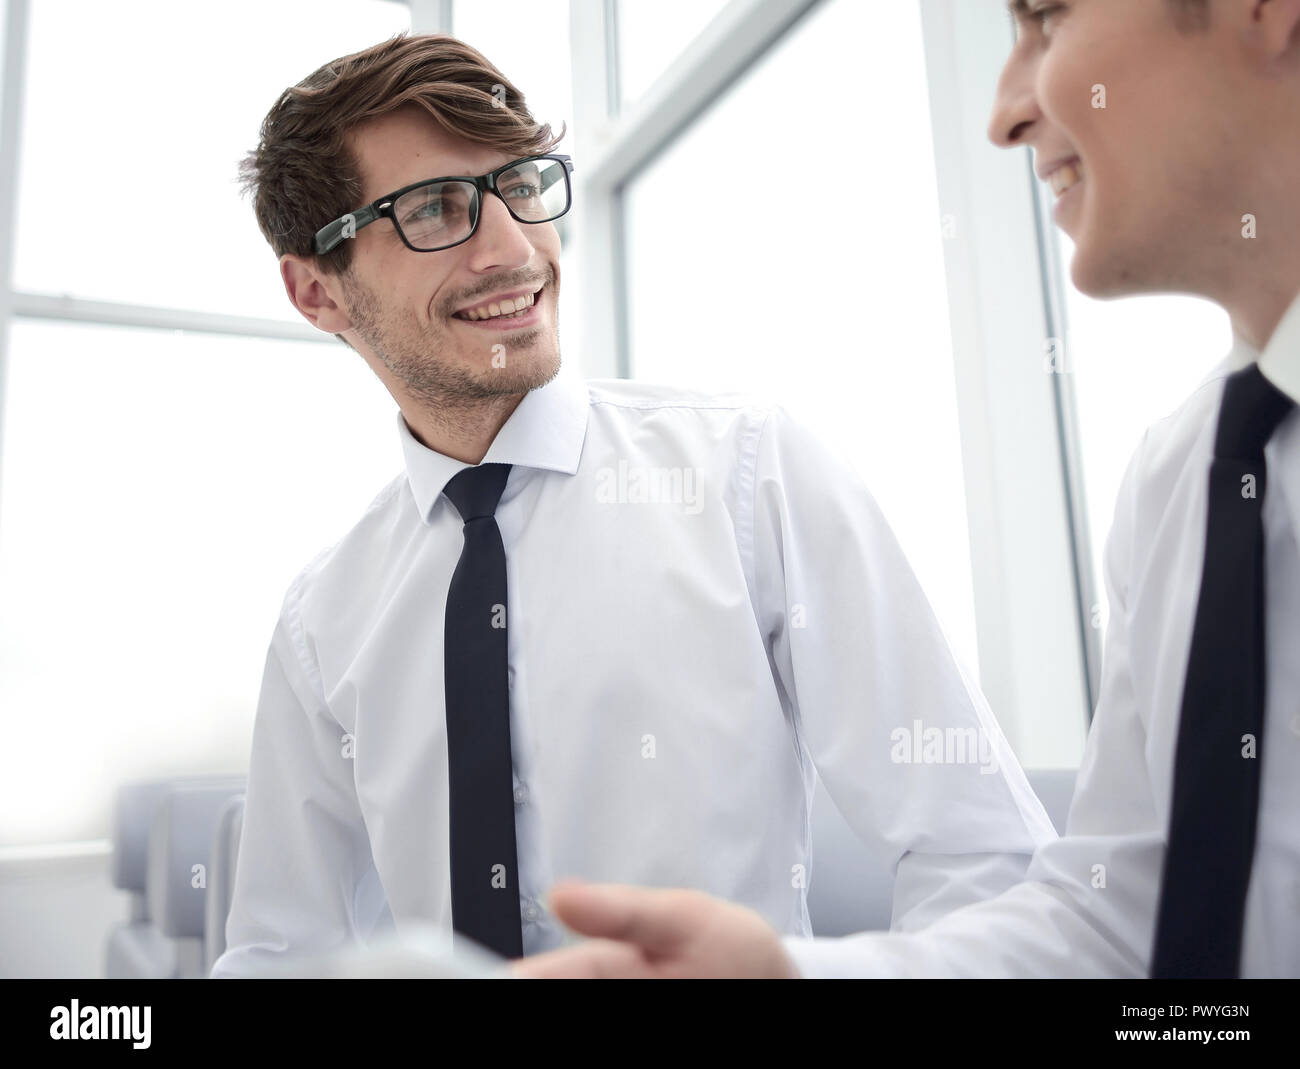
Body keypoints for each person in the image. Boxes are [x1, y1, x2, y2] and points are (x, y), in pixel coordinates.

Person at [208, 32, 1055, 977]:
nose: (515, 249)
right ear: (315, 290)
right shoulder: (321, 619)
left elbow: (983, 854)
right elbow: (278, 954)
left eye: (522, 185)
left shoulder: (748, 474)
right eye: (436, 208)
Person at [513, 0, 1300, 980]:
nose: (1005, 112)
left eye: (1046, 22)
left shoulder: (745, 463)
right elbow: (1117, 924)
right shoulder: (1185, 475)